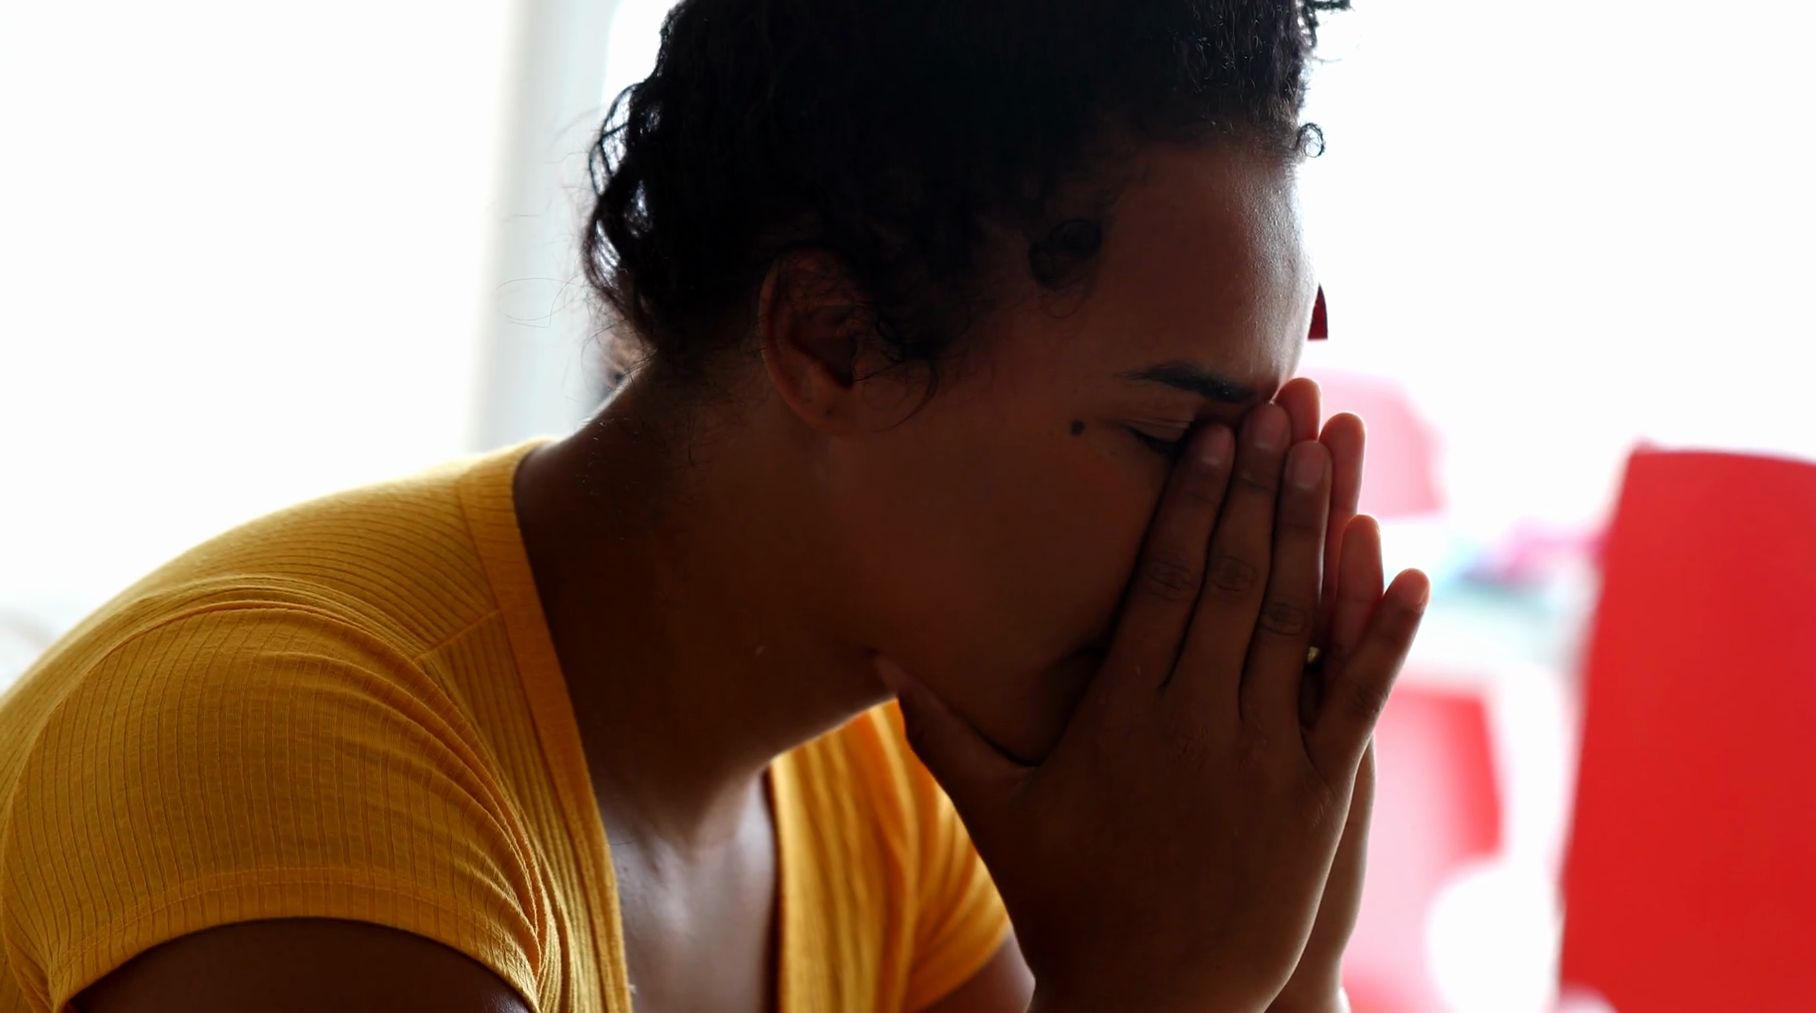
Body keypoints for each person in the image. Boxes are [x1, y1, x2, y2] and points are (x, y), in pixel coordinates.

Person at [0, 0, 1427, 1010]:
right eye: (1180, 440)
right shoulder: (299, 767)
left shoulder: (880, 794)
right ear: (832, 343)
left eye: (1269, 446)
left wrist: (1284, 966)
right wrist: (1151, 996)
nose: (1251, 541)